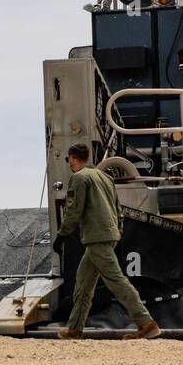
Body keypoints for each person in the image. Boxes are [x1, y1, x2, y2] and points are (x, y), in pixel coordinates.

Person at [56, 145, 160, 340]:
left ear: (72, 158)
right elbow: (118, 209)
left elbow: (74, 211)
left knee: (116, 280)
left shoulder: (79, 178)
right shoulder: (105, 178)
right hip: (108, 235)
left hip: (97, 238)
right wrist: (117, 230)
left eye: (68, 159)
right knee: (83, 282)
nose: (69, 163)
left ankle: (146, 323)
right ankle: (75, 328)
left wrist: (61, 235)